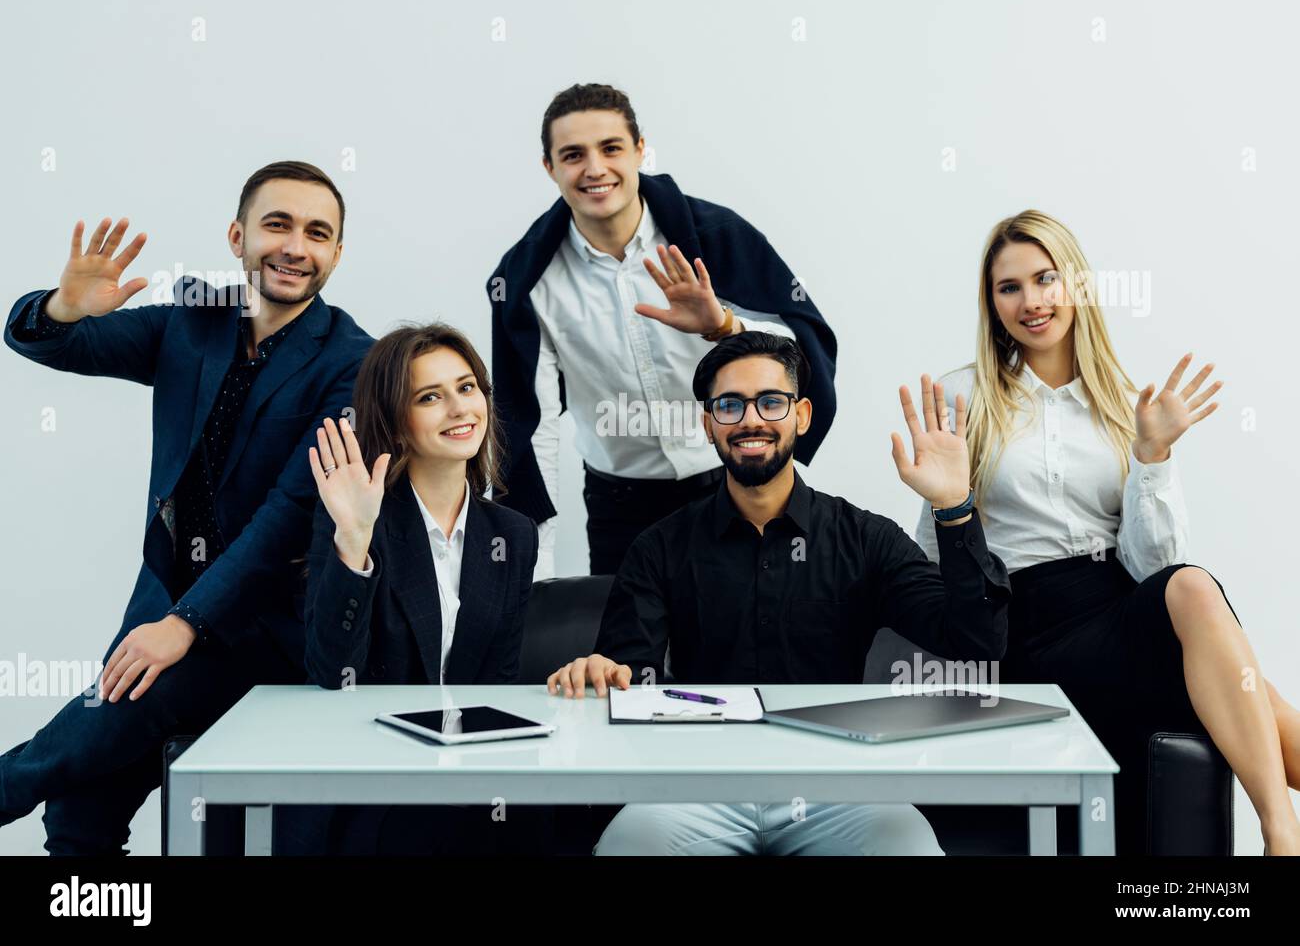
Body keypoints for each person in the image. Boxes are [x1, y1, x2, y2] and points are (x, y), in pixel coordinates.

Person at [0, 161, 373, 854]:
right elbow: (50, 343)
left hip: (267, 625)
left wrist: (189, 622)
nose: (297, 246)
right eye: (277, 224)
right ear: (237, 236)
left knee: (101, 728)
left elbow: (287, 515)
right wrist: (62, 308)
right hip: (160, 611)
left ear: (337, 254)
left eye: (318, 233)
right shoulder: (194, 322)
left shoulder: (354, 361)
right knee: (78, 814)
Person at [915, 209, 1300, 855]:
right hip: (1028, 623)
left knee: (1197, 595)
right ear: (992, 303)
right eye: (1010, 287)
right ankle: (1283, 831)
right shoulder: (963, 396)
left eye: (1045, 279)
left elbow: (1159, 565)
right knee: (1244, 678)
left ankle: (1280, 833)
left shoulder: (1126, 401)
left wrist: (1152, 455)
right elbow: (932, 552)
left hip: (1118, 604)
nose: (1031, 301)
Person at [546, 331, 1011, 855]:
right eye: (729, 405)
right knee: (629, 846)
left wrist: (954, 509)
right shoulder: (660, 546)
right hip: (695, 787)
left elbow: (975, 645)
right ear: (708, 423)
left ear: (802, 416)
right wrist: (602, 673)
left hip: (839, 786)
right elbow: (627, 675)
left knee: (910, 847)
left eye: (771, 402)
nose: (751, 420)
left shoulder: (863, 538)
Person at [489, 82, 837, 579]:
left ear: (639, 150)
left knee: (756, 639)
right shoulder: (526, 282)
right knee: (628, 649)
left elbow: (801, 351)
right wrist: (532, 568)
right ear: (550, 168)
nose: (594, 169)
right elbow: (531, 424)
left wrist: (724, 324)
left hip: (734, 479)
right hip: (618, 501)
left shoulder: (716, 236)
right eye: (573, 154)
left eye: (611, 148)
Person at [277, 323, 541, 855]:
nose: (459, 409)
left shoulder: (511, 534)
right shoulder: (357, 517)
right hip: (370, 781)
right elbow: (332, 676)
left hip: (470, 781)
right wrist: (353, 542)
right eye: (430, 397)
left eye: (467, 388)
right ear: (396, 422)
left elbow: (498, 685)